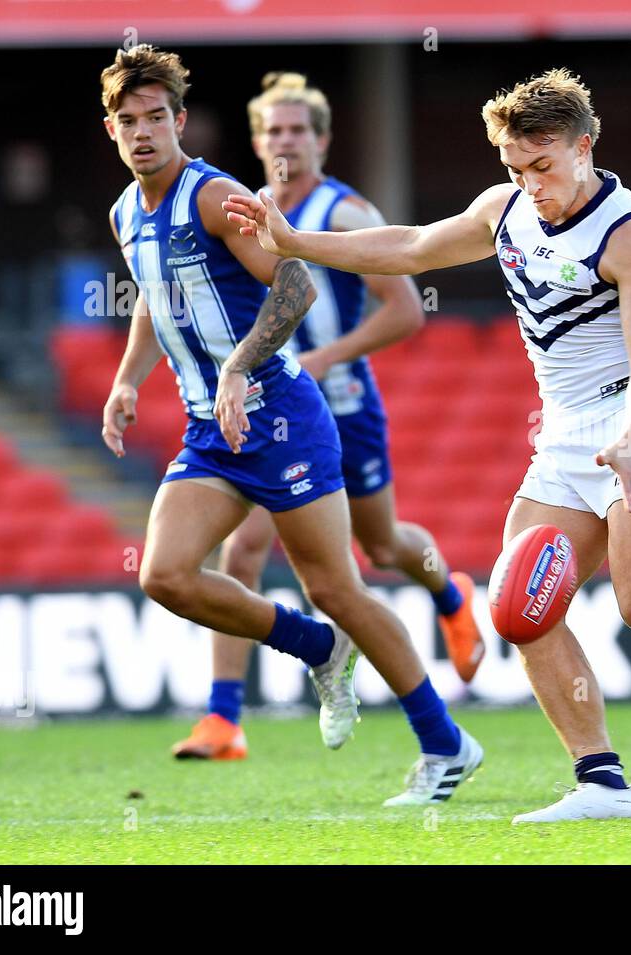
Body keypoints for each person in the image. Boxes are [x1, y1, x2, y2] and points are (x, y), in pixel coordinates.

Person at [224, 70, 631, 823]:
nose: (528, 183)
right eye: (514, 167)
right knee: (520, 607)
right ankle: (602, 780)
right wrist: (294, 241)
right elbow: (409, 246)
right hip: (565, 433)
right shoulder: (504, 209)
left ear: (584, 147)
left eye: (541, 165)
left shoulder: (630, 230)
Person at [99, 45, 480, 805]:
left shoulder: (214, 197)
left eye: (155, 119)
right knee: (164, 574)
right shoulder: (123, 212)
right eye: (127, 121)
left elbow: (298, 283)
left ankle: (447, 744)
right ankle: (315, 647)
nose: (143, 134)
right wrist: (124, 381)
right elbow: (151, 293)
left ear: (180, 121)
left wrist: (239, 364)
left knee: (339, 585)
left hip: (282, 417)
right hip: (213, 430)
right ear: (110, 128)